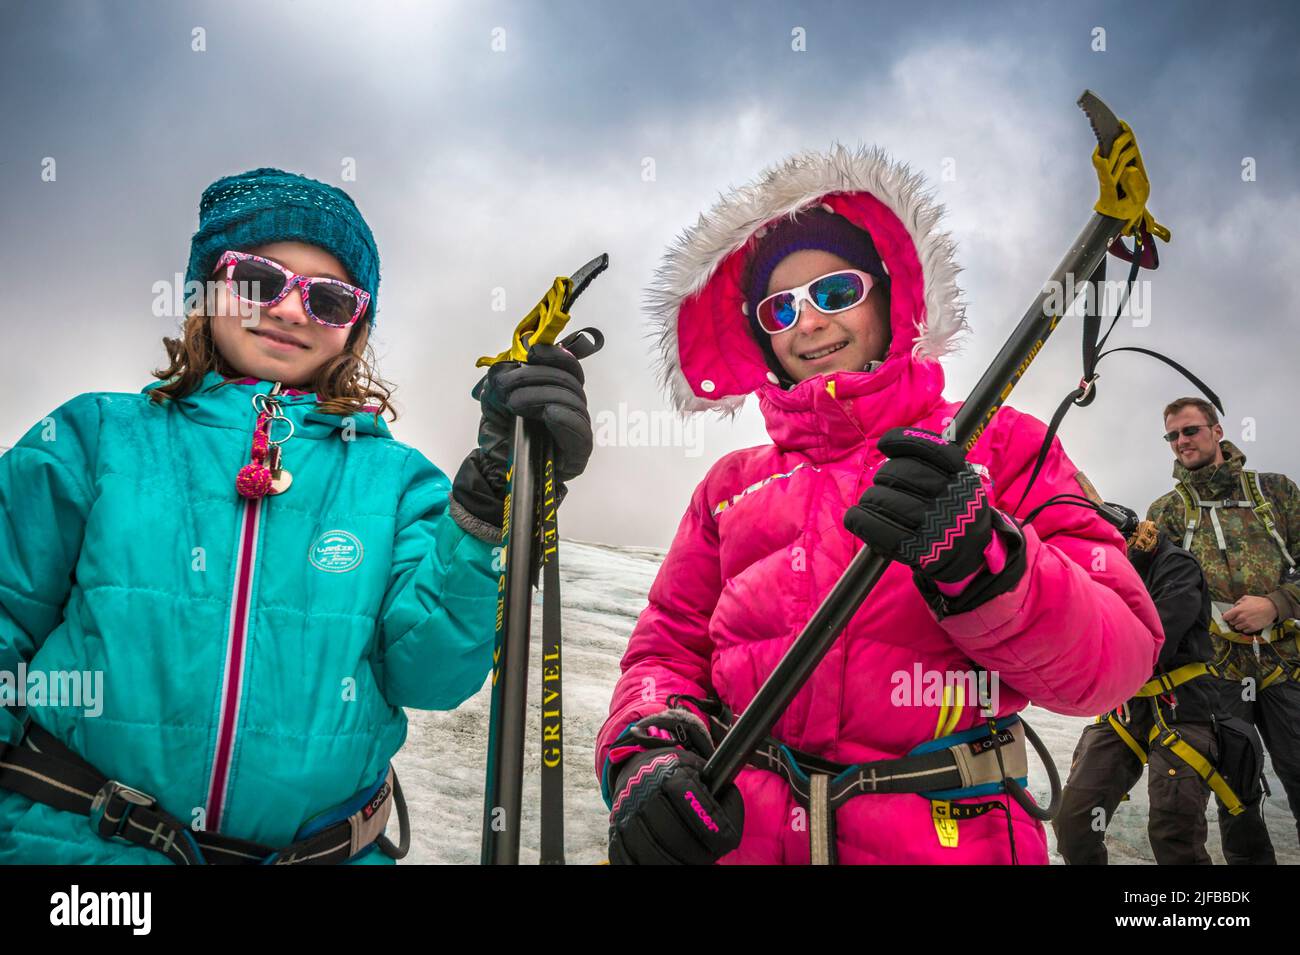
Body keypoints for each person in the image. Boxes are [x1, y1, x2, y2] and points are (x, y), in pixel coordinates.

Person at [0, 167, 593, 864]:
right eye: (257, 278)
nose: (288, 310)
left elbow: (431, 675)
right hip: (78, 849)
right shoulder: (94, 437)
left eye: (329, 297)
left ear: (355, 325)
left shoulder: (399, 483)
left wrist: (491, 504)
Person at [597, 146, 1163, 865]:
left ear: (889, 296)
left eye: (835, 292)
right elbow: (666, 648)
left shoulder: (998, 444)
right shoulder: (729, 485)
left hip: (949, 839)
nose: (808, 323)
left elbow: (1116, 659)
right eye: (780, 308)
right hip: (746, 841)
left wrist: (982, 559)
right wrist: (646, 749)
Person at [1147, 396, 1300, 864]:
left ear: (1217, 431)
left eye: (1190, 430)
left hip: (1288, 667)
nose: (1181, 442)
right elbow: (1152, 596)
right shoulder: (1166, 512)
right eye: (1172, 436)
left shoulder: (1274, 492)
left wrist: (1275, 605)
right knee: (1238, 797)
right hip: (1215, 678)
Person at [1054, 505, 1226, 864]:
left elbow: (1159, 636)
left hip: (1183, 705)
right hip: (1127, 706)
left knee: (1173, 829)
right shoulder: (1107, 566)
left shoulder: (1177, 565)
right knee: (1073, 822)